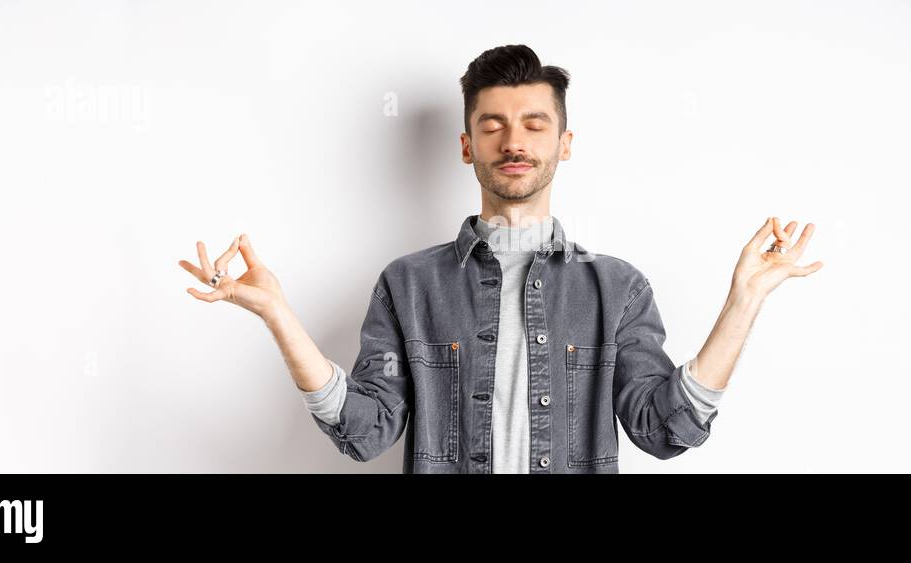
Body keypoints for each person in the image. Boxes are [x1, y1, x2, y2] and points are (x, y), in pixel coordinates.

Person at [177, 44, 822, 473]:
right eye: (492, 125)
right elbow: (366, 433)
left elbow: (664, 431)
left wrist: (744, 302)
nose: (513, 140)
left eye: (535, 124)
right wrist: (277, 314)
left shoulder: (618, 289)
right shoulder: (408, 285)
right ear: (466, 145)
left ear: (564, 143)